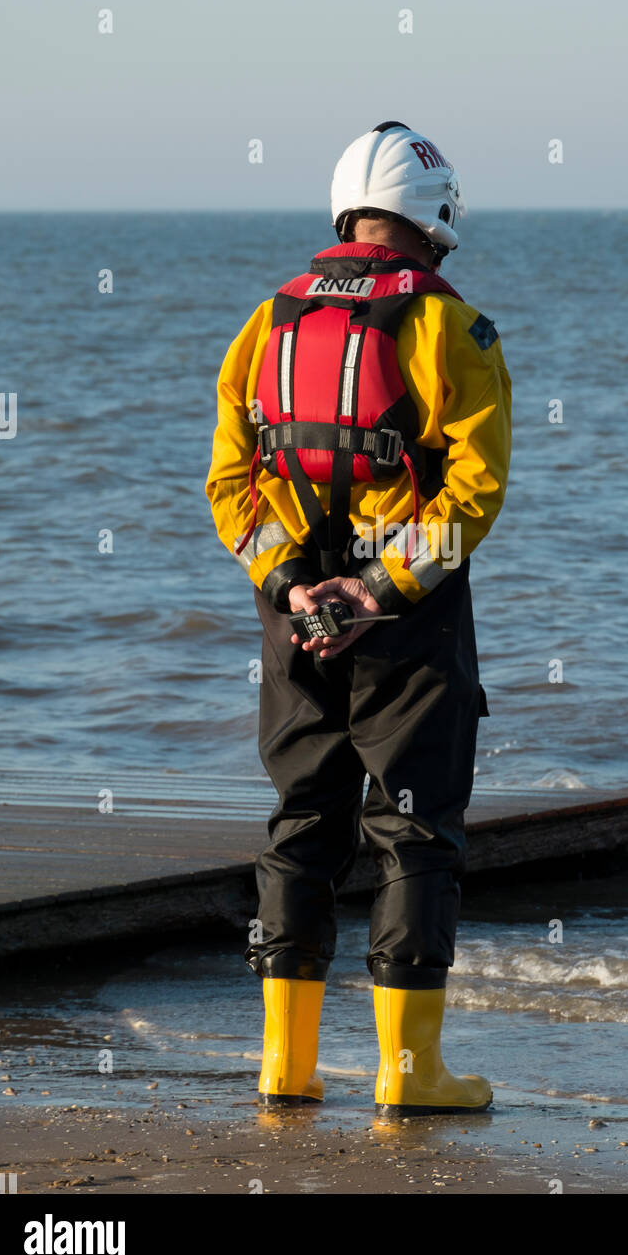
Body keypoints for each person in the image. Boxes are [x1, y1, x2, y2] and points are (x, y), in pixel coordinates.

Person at [205, 121, 511, 1116]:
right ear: (432, 225)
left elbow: (228, 483)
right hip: (402, 618)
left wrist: (296, 586)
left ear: (344, 213)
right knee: (414, 829)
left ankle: (285, 1069)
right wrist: (374, 593)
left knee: (300, 823)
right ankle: (409, 1073)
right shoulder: (451, 330)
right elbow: (473, 490)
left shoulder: (264, 324)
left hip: (290, 615)